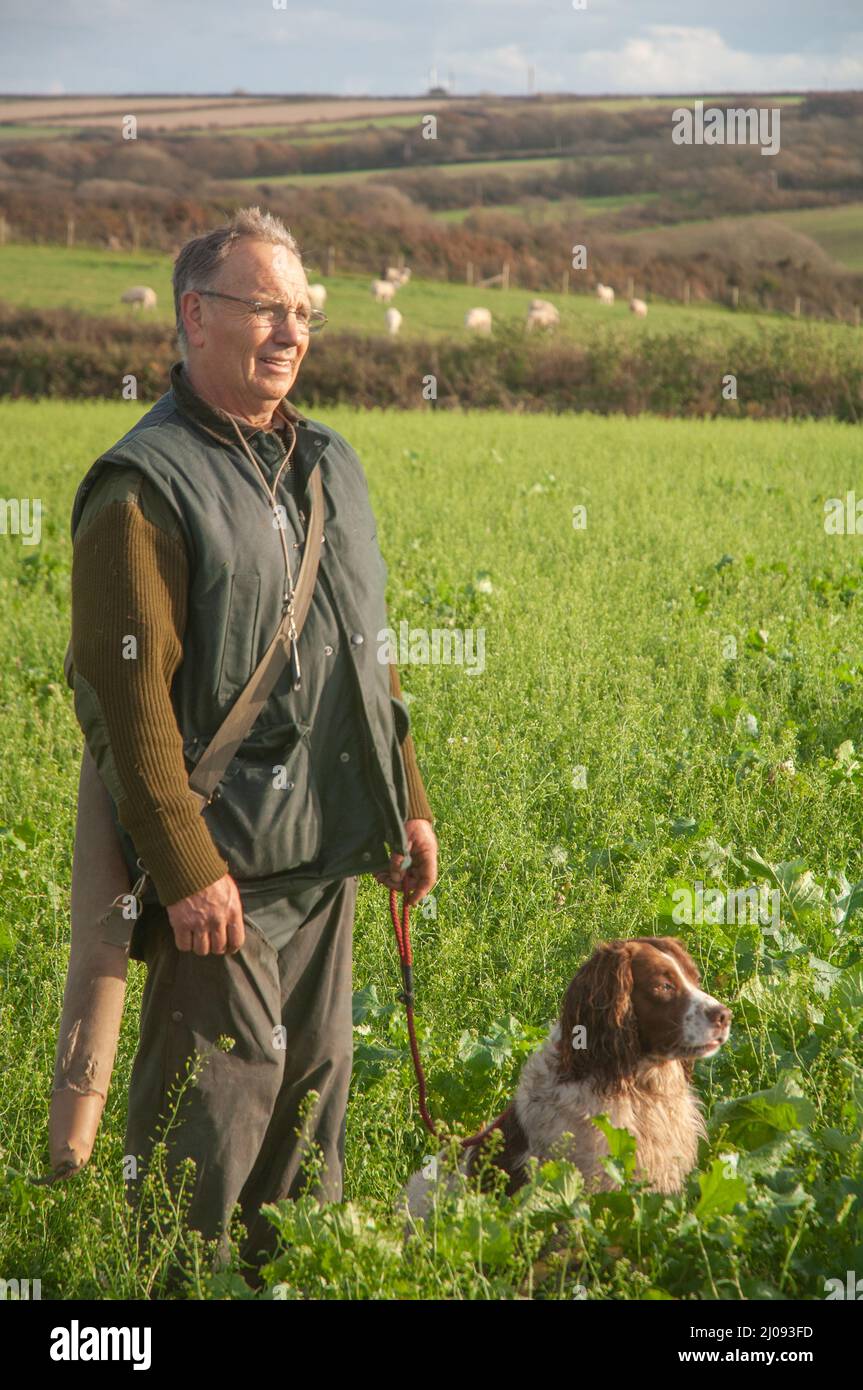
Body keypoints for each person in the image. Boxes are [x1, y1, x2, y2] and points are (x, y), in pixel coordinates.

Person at [64, 205, 438, 1275]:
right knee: (211, 1132)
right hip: (223, 876)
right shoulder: (143, 488)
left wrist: (406, 799)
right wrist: (184, 868)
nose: (291, 331)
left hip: (329, 861)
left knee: (309, 1122)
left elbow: (370, 651)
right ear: (194, 314)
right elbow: (126, 708)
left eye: (304, 311)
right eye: (266, 307)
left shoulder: (329, 462)